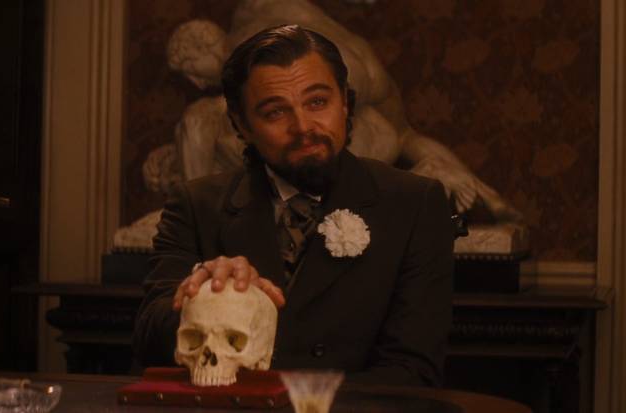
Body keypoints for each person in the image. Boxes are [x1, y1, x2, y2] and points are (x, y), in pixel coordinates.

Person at [132, 24, 453, 387]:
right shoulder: (195, 204)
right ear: (241, 124)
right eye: (275, 112)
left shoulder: (415, 204)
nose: (303, 127)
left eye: (317, 102)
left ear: (345, 103)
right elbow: (149, 339)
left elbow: (412, 371)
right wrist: (203, 296)